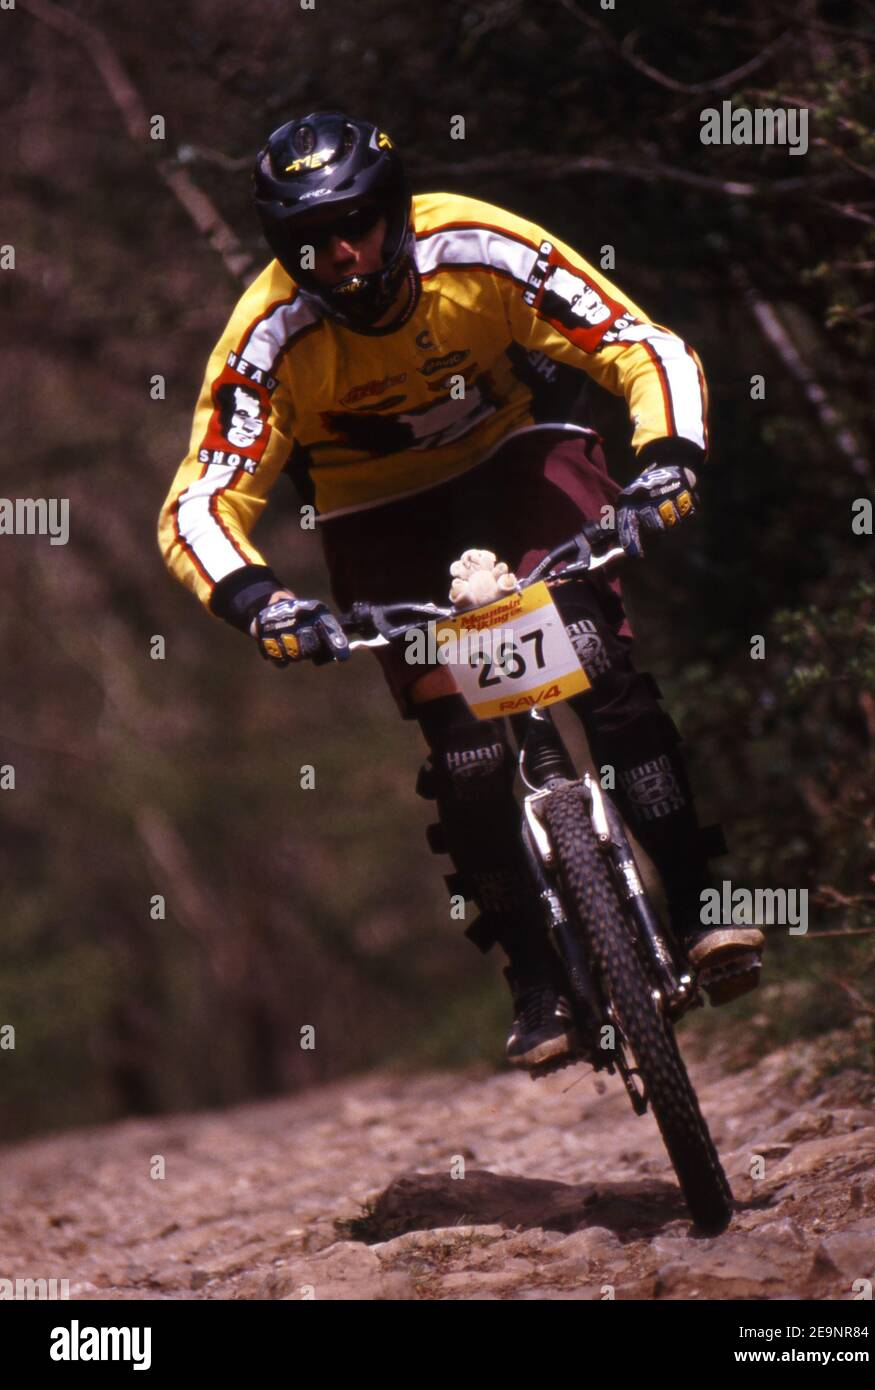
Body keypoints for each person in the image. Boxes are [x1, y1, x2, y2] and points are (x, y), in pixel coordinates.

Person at [158, 111, 764, 1070]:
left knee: (602, 670)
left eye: (358, 222)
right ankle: (533, 978)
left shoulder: (480, 248)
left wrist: (670, 458)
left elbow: (635, 343)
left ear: (398, 211)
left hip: (515, 457)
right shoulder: (268, 337)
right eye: (310, 241)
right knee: (467, 753)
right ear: (283, 251)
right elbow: (201, 499)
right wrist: (257, 599)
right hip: (375, 512)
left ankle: (699, 907)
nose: (343, 254)